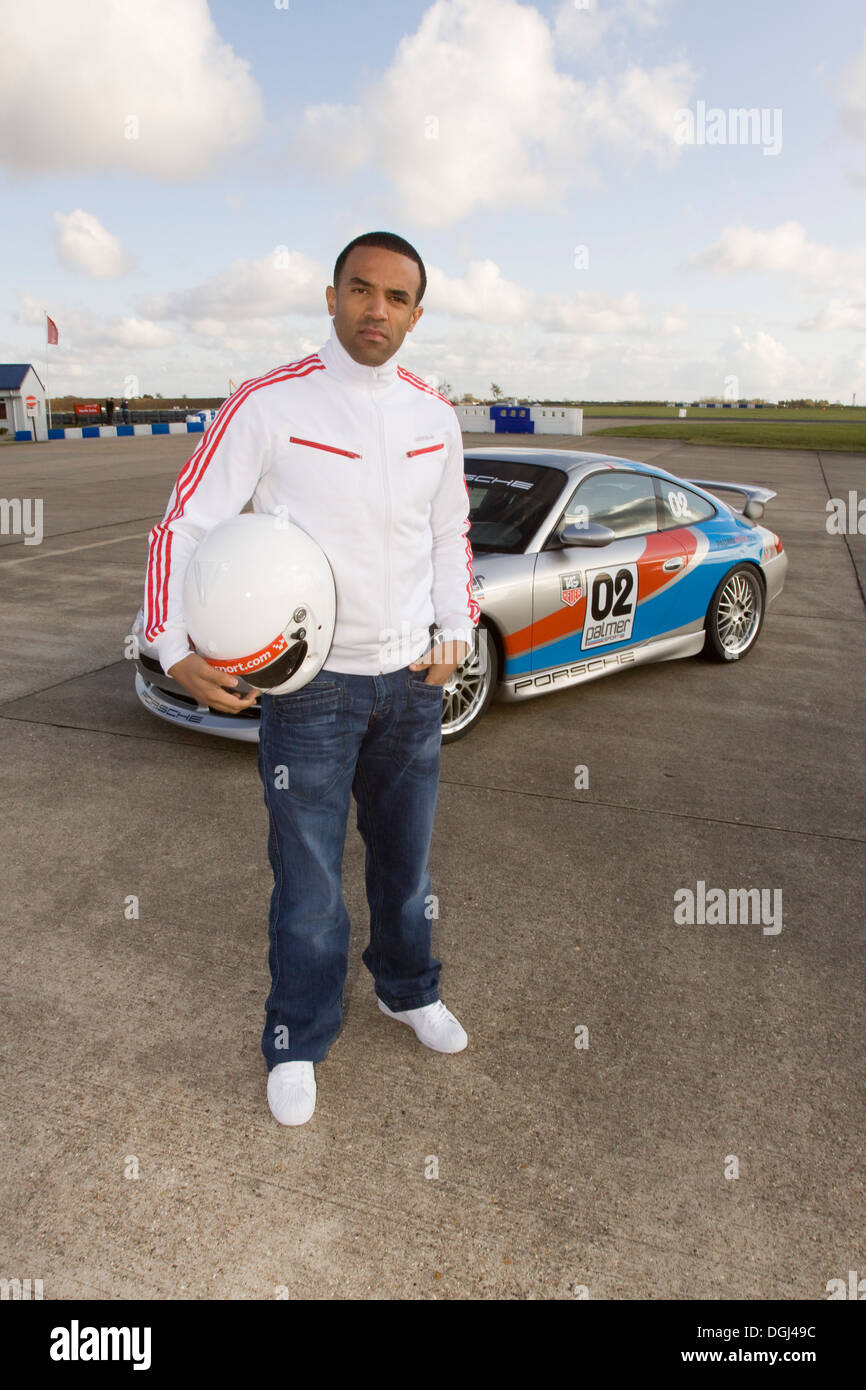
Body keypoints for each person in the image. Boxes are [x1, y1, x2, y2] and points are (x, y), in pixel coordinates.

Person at [143, 231, 479, 1126]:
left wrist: (456, 628)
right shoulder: (268, 402)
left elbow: (449, 534)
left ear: (415, 314)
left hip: (412, 683)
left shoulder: (434, 416)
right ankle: (296, 1037)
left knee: (406, 867)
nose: (377, 309)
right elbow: (184, 524)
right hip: (312, 692)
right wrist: (170, 643)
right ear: (332, 298)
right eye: (361, 290)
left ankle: (407, 990)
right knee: (309, 885)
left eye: (397, 297)